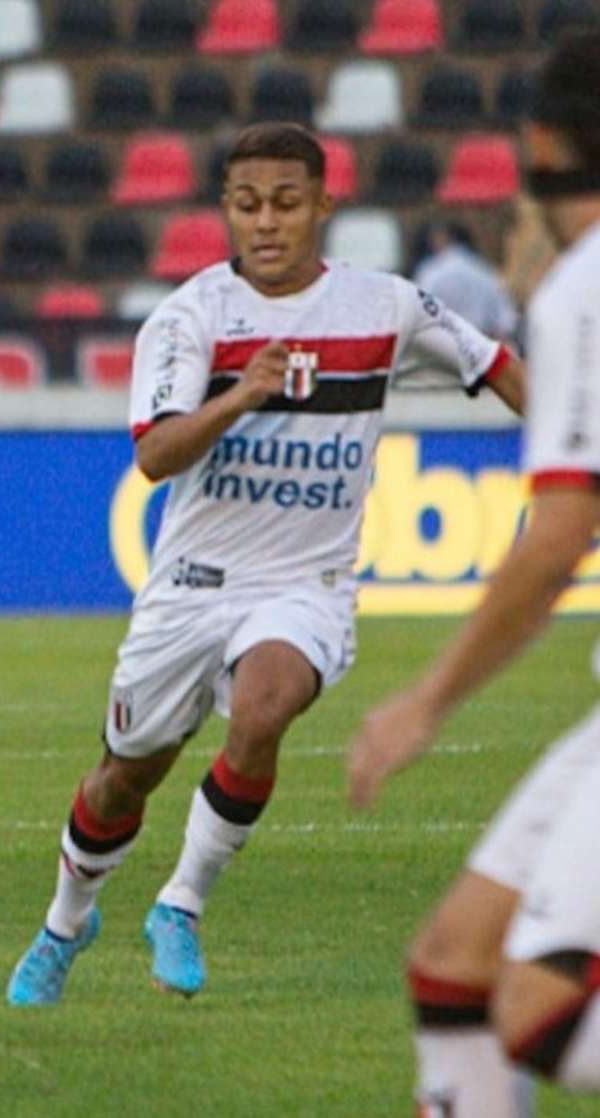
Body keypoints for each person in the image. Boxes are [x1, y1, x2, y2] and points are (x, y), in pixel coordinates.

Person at [5, 122, 525, 1008]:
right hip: (191, 587)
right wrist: (243, 392)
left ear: (324, 205)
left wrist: (575, 454)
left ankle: (181, 903)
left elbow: (495, 364)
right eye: (248, 205)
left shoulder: (386, 306)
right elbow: (158, 455)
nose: (268, 222)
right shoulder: (191, 317)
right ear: (226, 214)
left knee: (266, 706)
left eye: (287, 202)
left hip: (303, 586)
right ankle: (67, 921)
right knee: (126, 772)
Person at [347, 32, 600, 1115]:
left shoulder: (581, 289)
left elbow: (557, 536)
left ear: (539, 144)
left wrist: (424, 697)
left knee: (539, 1007)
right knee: (453, 959)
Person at [412, 219, 520, 343]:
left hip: (445, 347)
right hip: (484, 344)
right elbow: (507, 319)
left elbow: (418, 315)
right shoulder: (482, 269)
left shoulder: (430, 272)